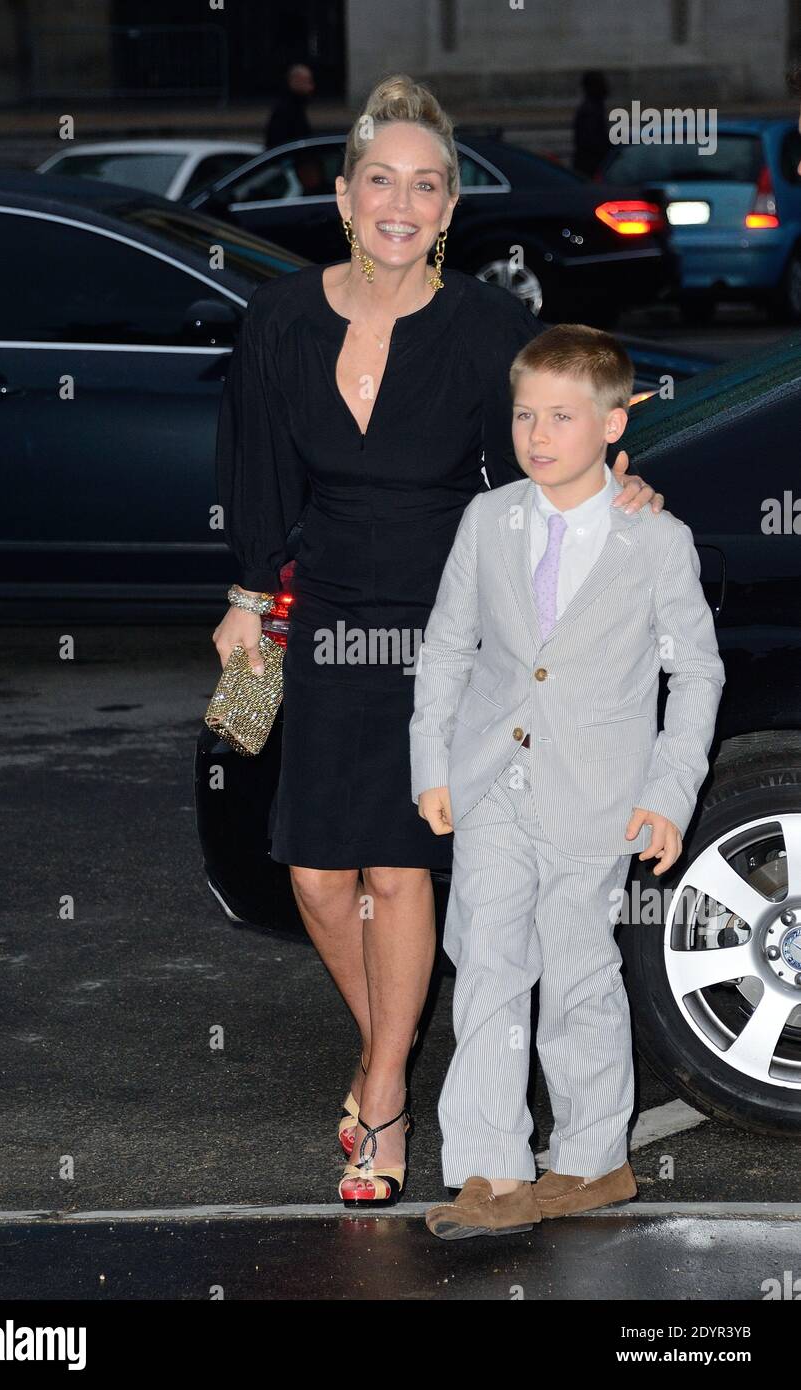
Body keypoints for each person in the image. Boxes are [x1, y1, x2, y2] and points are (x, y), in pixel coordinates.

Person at [213, 73, 663, 1210]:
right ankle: (407, 1049)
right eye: (380, 182)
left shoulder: (481, 329)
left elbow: (543, 441)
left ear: (450, 205)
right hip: (321, 620)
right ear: (344, 194)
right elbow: (256, 476)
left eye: (425, 185)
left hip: (440, 628)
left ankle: (383, 1098)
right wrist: (243, 594)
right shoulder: (278, 321)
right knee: (318, 877)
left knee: (397, 868)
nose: (400, 204)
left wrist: (619, 486)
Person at [410, 324, 724, 1238]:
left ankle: (593, 1160)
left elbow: (695, 674)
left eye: (560, 416)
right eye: (523, 415)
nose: (537, 434)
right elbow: (447, 646)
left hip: (596, 791)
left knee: (582, 972)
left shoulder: (657, 539)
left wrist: (668, 794)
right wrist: (433, 762)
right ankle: (491, 1170)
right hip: (493, 782)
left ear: (614, 423)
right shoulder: (489, 518)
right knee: (488, 967)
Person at [264, 63, 315, 149]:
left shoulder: (296, 106)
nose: (311, 87)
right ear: (295, 81)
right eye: (308, 81)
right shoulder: (286, 109)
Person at [572, 70, 612, 178]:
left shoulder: (592, 108)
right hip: (590, 167)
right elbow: (592, 141)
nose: (606, 88)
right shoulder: (591, 110)